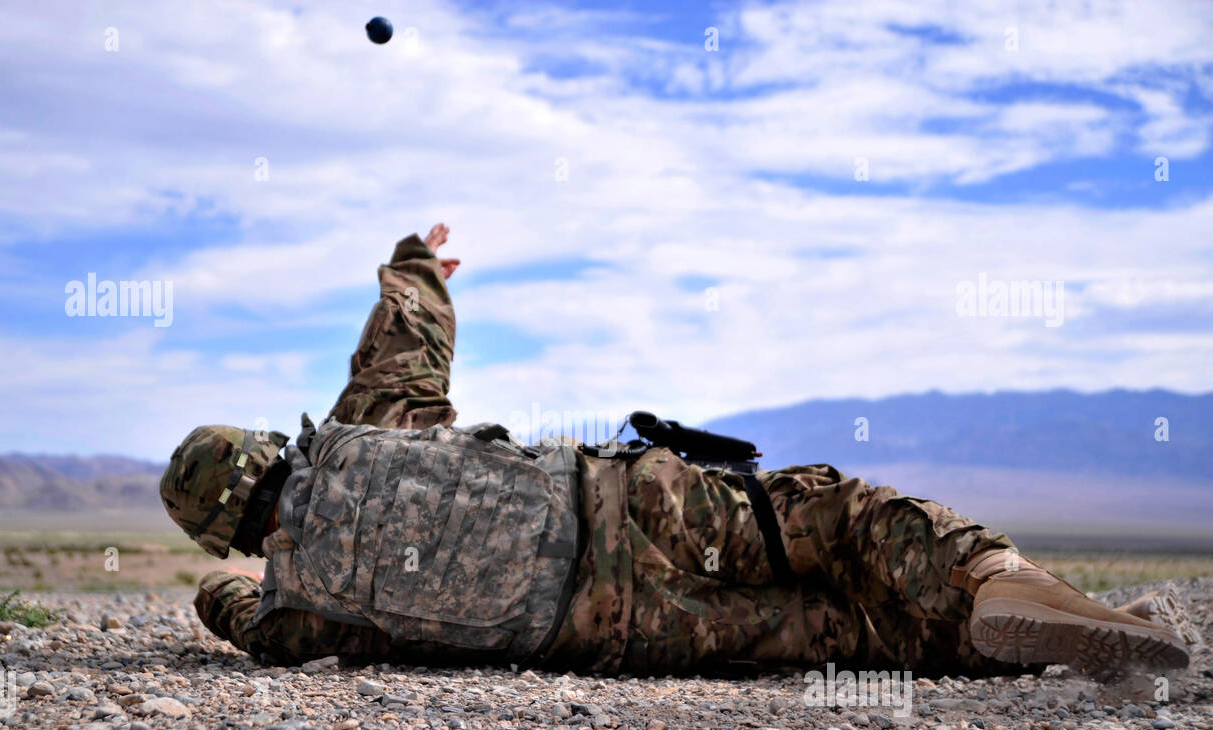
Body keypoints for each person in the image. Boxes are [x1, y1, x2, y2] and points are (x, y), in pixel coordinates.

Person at [159, 225, 1191, 678]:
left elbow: (233, 613)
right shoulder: (367, 431)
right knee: (835, 518)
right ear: (263, 446)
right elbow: (408, 337)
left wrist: (230, 594)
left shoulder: (294, 621)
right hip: (627, 506)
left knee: (843, 633)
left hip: (620, 629)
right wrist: (418, 259)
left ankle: (967, 643)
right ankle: (999, 583)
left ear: (223, 532)